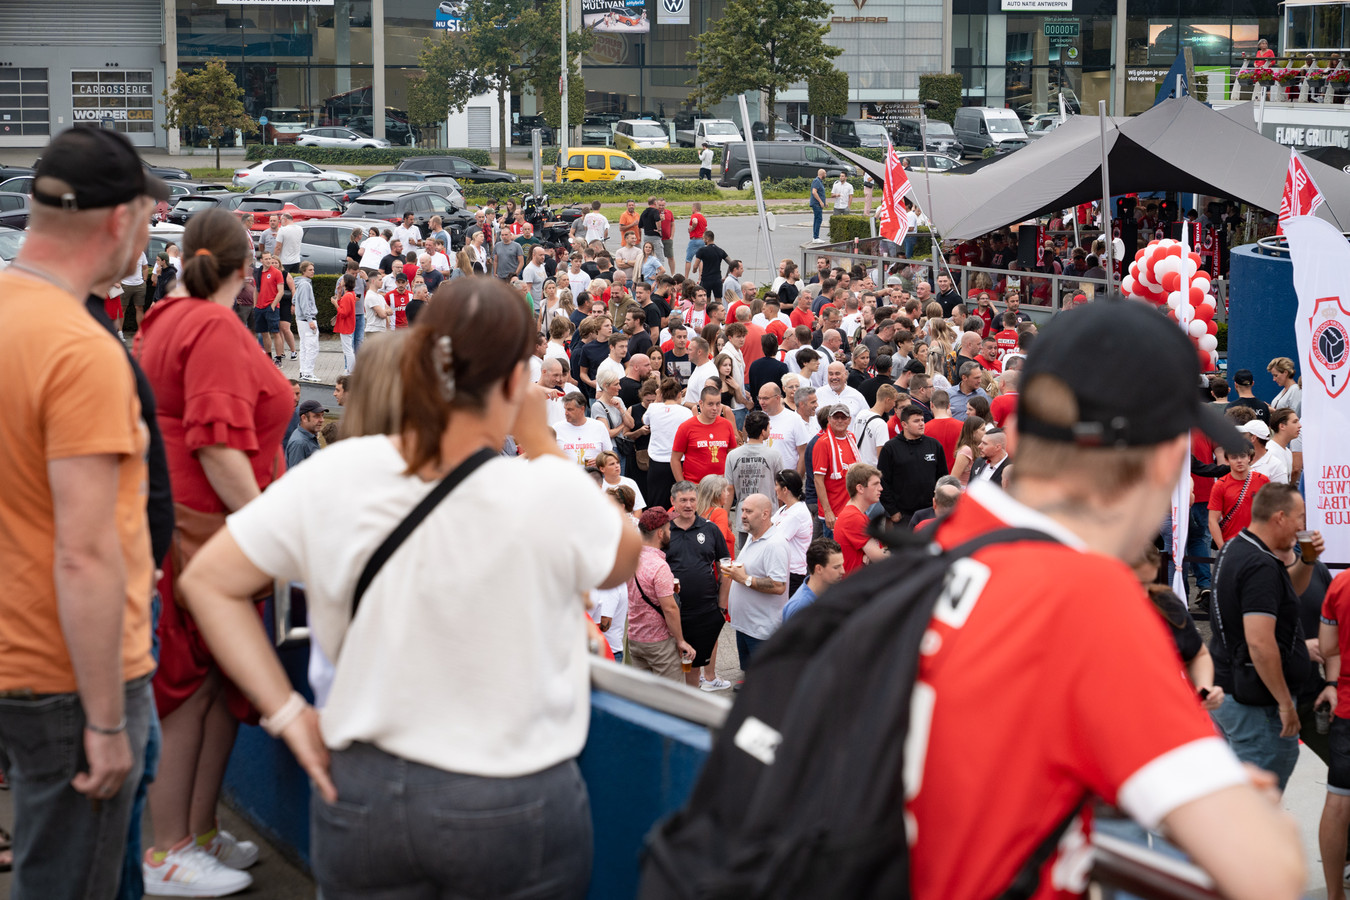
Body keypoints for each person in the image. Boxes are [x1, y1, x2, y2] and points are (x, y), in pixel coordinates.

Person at [178, 275, 640, 900]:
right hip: (510, 797)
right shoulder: (544, 488)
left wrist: (287, 714)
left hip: (363, 794)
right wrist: (538, 440)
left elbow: (208, 581)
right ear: (514, 382)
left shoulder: (340, 469)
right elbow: (622, 559)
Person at [906, 299, 1303, 900]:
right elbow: (1267, 872)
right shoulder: (1085, 600)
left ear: (1018, 434)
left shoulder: (937, 545)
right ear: (1165, 457)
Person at [0, 127, 166, 899]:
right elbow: (86, 551)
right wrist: (105, 722)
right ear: (119, 219)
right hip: (72, 674)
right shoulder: (81, 349)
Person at [136, 208, 300, 896]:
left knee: (203, 685)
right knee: (186, 690)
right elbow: (216, 444)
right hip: (206, 528)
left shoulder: (164, 318)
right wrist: (272, 529)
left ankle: (193, 834)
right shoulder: (208, 325)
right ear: (246, 263)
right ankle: (168, 848)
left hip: (189, 523)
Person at [1209, 483, 1323, 791]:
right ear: (1280, 517)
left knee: (1242, 797)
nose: (1303, 526)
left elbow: (1283, 594)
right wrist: (1285, 703)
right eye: (1300, 517)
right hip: (1256, 704)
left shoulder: (1238, 546)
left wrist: (1308, 560)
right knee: (1259, 803)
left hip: (1236, 692)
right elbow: (1260, 643)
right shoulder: (1259, 563)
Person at [666, 481, 732, 691]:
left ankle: (691, 708)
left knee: (694, 665)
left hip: (704, 611)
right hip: (671, 611)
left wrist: (721, 608)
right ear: (673, 502)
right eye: (683, 500)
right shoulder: (664, 531)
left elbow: (725, 566)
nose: (688, 504)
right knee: (671, 665)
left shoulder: (710, 529)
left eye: (692, 500)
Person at [628, 507, 697, 681]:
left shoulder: (630, 558)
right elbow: (670, 609)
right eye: (667, 529)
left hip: (635, 638)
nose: (670, 533)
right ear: (660, 533)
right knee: (670, 698)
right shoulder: (659, 567)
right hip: (659, 644)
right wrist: (681, 640)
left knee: (644, 698)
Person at [722, 494, 789, 670]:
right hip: (745, 626)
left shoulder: (775, 544)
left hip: (761, 631)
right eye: (742, 510)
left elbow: (778, 585)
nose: (742, 515)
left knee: (763, 681)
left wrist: (744, 579)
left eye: (749, 511)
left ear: (765, 514)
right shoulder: (753, 537)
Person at [877, 404, 949, 526]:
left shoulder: (934, 445)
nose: (921, 423)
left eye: (922, 420)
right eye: (916, 421)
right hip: (903, 515)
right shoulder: (890, 448)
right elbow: (883, 481)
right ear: (904, 424)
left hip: (930, 512)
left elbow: (943, 478)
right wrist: (893, 511)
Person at [725, 412, 784, 545]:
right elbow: (779, 486)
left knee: (746, 557)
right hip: (768, 516)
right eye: (768, 427)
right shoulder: (774, 455)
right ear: (763, 431)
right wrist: (779, 512)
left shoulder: (733, 455)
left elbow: (729, 488)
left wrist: (726, 514)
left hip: (744, 515)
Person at [671, 385, 738, 483]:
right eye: (710, 404)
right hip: (695, 486)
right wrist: (683, 486)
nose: (715, 408)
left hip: (721, 485)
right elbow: (675, 459)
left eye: (718, 404)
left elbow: (732, 455)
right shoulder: (686, 427)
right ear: (701, 404)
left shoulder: (726, 425)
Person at [646, 377, 695, 508]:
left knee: (657, 504)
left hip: (656, 463)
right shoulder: (686, 412)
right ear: (679, 395)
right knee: (679, 503)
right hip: (679, 462)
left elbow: (645, 420)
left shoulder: (653, 408)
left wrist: (657, 399)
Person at [1209, 443, 1267, 550]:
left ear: (1249, 458)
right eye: (1234, 457)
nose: (1239, 460)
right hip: (1231, 544)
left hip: (1258, 543)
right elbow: (1212, 520)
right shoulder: (1220, 485)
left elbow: (1272, 512)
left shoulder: (1263, 480)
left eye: (1242, 456)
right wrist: (1222, 548)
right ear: (1227, 460)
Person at [812, 404, 859, 534]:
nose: (839, 421)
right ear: (829, 419)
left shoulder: (851, 438)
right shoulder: (823, 443)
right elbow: (818, 480)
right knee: (835, 553)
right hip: (833, 514)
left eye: (843, 418)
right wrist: (828, 511)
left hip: (851, 509)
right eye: (836, 417)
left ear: (849, 420)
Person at [834, 462, 887, 574]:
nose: (881, 488)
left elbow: (878, 554)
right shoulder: (853, 517)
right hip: (855, 587)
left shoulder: (857, 515)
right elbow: (881, 558)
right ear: (860, 488)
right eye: (875, 484)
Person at [772, 470, 814, 596]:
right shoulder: (784, 508)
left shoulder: (797, 513)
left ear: (785, 489)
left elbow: (774, 539)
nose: (774, 489)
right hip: (786, 570)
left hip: (793, 573)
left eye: (776, 485)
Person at [555, 392, 612, 466]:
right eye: (565, 409)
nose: (566, 413)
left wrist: (599, 460)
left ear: (582, 409)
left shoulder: (599, 426)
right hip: (566, 475)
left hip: (593, 475)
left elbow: (609, 454)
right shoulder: (557, 428)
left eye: (570, 409)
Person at [291, 261, 321, 382]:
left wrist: (295, 305)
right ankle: (307, 372)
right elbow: (304, 303)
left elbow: (295, 298)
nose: (313, 271)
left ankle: (304, 371)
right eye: (310, 270)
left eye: (313, 269)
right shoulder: (305, 284)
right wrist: (310, 320)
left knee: (304, 346)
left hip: (301, 319)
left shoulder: (300, 283)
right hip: (306, 320)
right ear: (303, 271)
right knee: (312, 347)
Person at [285, 399, 327, 469]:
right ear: (304, 418)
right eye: (316, 416)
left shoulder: (310, 435)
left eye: (322, 415)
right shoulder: (299, 443)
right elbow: (297, 476)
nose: (322, 420)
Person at [685, 202, 708, 278]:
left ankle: (686, 277)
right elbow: (706, 229)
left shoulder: (694, 215)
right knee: (700, 259)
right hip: (702, 240)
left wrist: (692, 228)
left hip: (694, 239)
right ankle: (700, 277)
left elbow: (695, 221)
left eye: (692, 207)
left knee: (688, 259)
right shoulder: (704, 218)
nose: (692, 209)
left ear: (695, 208)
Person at [809, 168, 827, 243]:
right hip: (816, 204)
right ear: (822, 174)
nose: (826, 175)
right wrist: (820, 202)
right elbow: (814, 192)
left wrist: (825, 202)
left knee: (817, 219)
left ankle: (815, 237)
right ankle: (816, 237)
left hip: (818, 204)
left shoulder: (819, 182)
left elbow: (820, 193)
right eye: (825, 173)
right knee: (818, 219)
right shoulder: (816, 181)